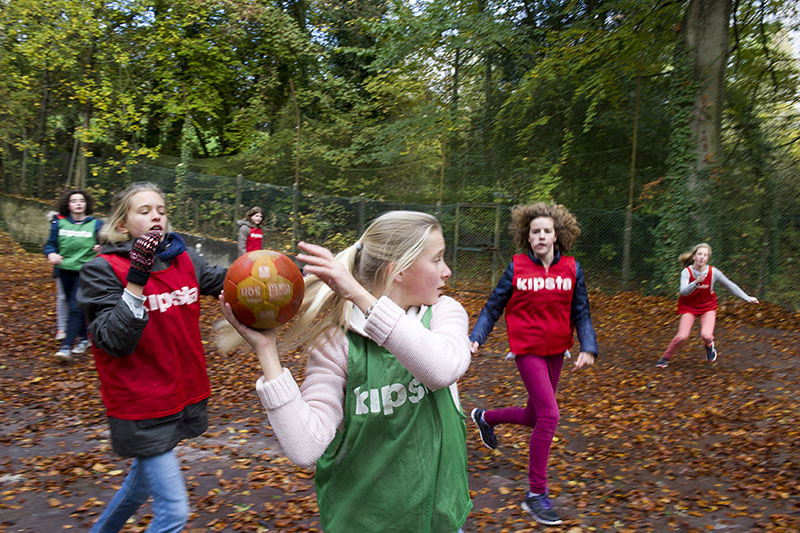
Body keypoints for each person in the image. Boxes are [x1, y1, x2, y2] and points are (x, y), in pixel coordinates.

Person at [220, 211, 473, 532]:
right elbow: (306, 448)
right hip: (363, 524)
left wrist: (361, 296)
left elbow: (440, 370)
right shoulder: (337, 344)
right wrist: (267, 351)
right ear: (399, 269)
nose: (447, 271)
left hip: (440, 522)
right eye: (436, 260)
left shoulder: (444, 314)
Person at [78, 182, 227, 533]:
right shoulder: (101, 269)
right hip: (141, 404)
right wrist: (137, 277)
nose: (156, 217)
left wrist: (292, 273)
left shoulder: (184, 259)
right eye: (144, 211)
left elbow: (229, 281)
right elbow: (113, 341)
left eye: (160, 210)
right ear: (122, 224)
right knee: (174, 515)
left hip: (181, 394)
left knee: (137, 489)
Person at [467, 202, 597, 527]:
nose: (540, 236)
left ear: (556, 235)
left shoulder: (572, 269)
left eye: (546, 231)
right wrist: (477, 337)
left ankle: (485, 417)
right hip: (527, 350)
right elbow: (493, 306)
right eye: (535, 231)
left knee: (534, 416)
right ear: (527, 236)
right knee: (550, 415)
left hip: (557, 350)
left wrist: (588, 346)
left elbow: (581, 311)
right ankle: (536, 494)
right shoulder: (517, 267)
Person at [655, 243, 759, 368]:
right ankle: (665, 358)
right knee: (682, 336)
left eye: (705, 255)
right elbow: (683, 292)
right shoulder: (686, 272)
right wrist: (695, 283)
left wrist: (747, 298)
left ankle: (709, 346)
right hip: (689, 307)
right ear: (694, 256)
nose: (702, 257)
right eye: (699, 254)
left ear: (707, 259)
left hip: (707, 307)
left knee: (706, 335)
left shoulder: (713, 272)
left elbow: (730, 286)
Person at [44, 189, 102, 362]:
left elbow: (106, 242)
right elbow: (50, 245)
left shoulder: (96, 224)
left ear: (86, 204)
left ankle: (66, 347)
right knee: (73, 306)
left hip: (85, 272)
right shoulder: (59, 223)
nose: (78, 203)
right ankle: (84, 339)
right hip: (64, 271)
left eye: (81, 200)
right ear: (68, 205)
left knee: (76, 307)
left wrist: (101, 247)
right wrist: (51, 254)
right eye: (74, 201)